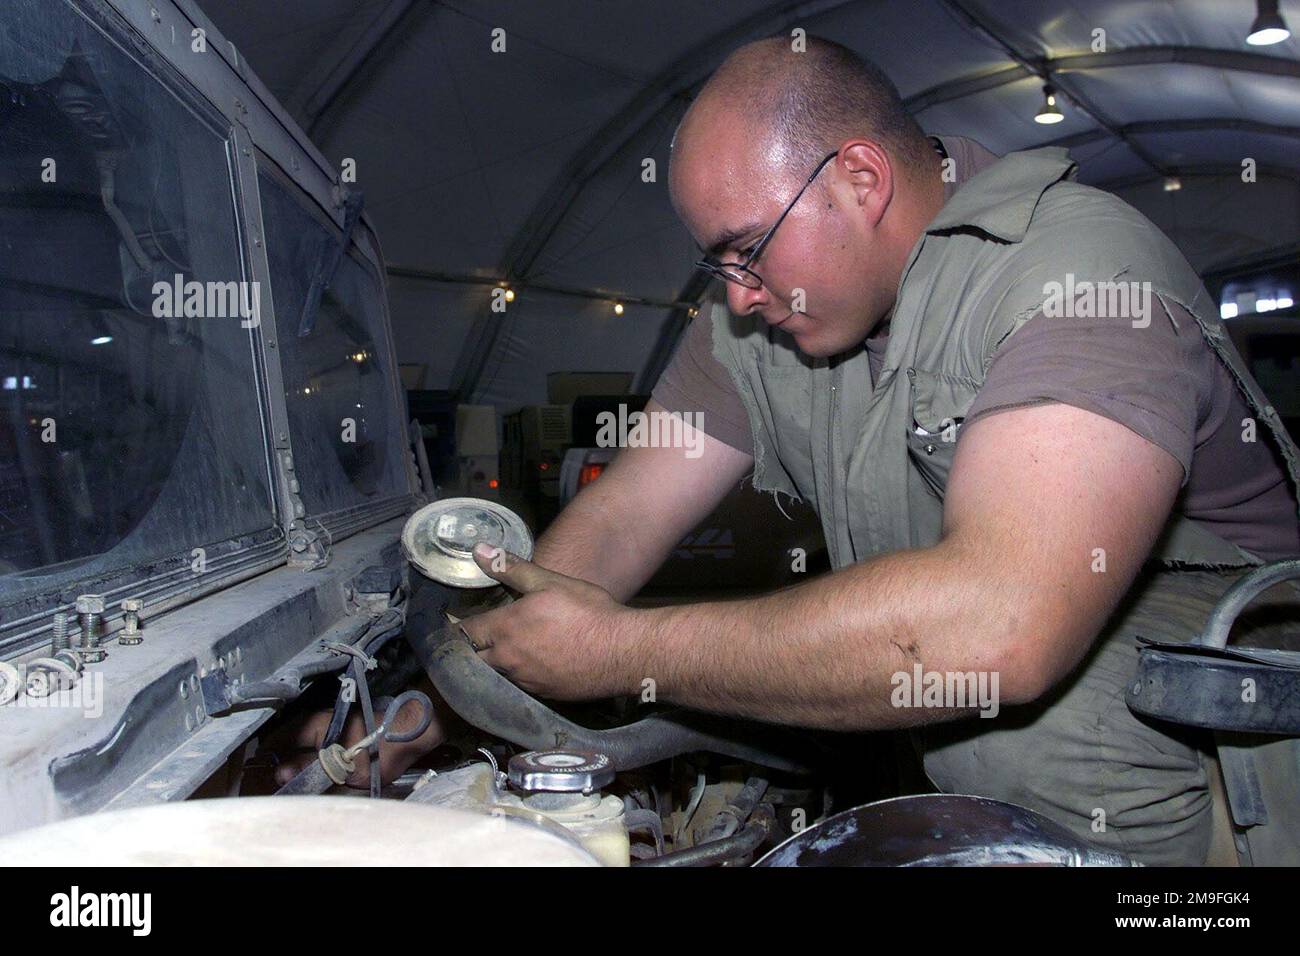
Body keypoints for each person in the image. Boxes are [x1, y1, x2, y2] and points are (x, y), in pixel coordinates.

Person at [295, 36, 1300, 865]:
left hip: (1223, 716)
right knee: (611, 703)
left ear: (860, 178)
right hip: (945, 667)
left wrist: (627, 646)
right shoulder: (762, 320)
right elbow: (616, 528)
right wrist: (453, 695)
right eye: (713, 262)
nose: (733, 294)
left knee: (1019, 724)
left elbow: (1001, 631)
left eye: (745, 248)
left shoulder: (1078, 273)